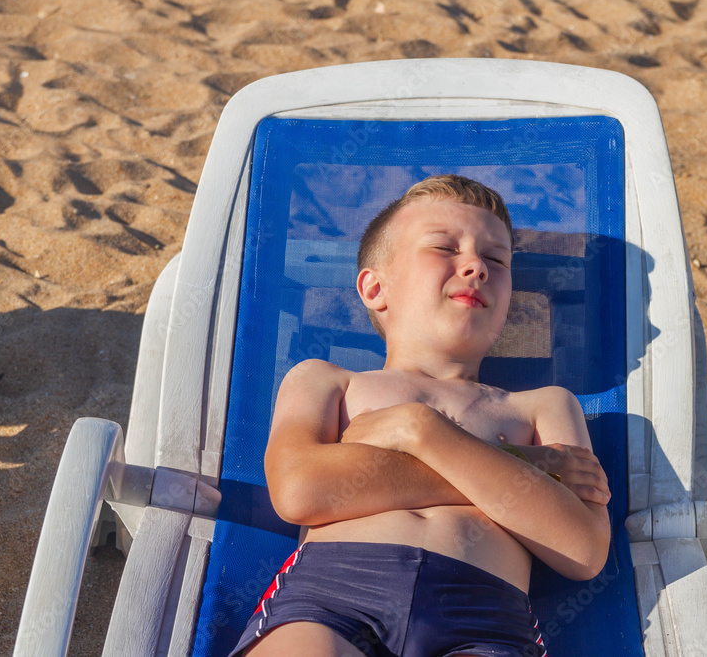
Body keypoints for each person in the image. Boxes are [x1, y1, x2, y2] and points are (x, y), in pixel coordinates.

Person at [229, 174, 611, 657]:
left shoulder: (545, 405)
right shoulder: (326, 380)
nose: (476, 266)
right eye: (444, 248)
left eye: (496, 258)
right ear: (374, 288)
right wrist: (526, 467)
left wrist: (423, 431)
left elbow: (582, 549)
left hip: (485, 616)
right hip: (331, 595)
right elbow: (300, 490)